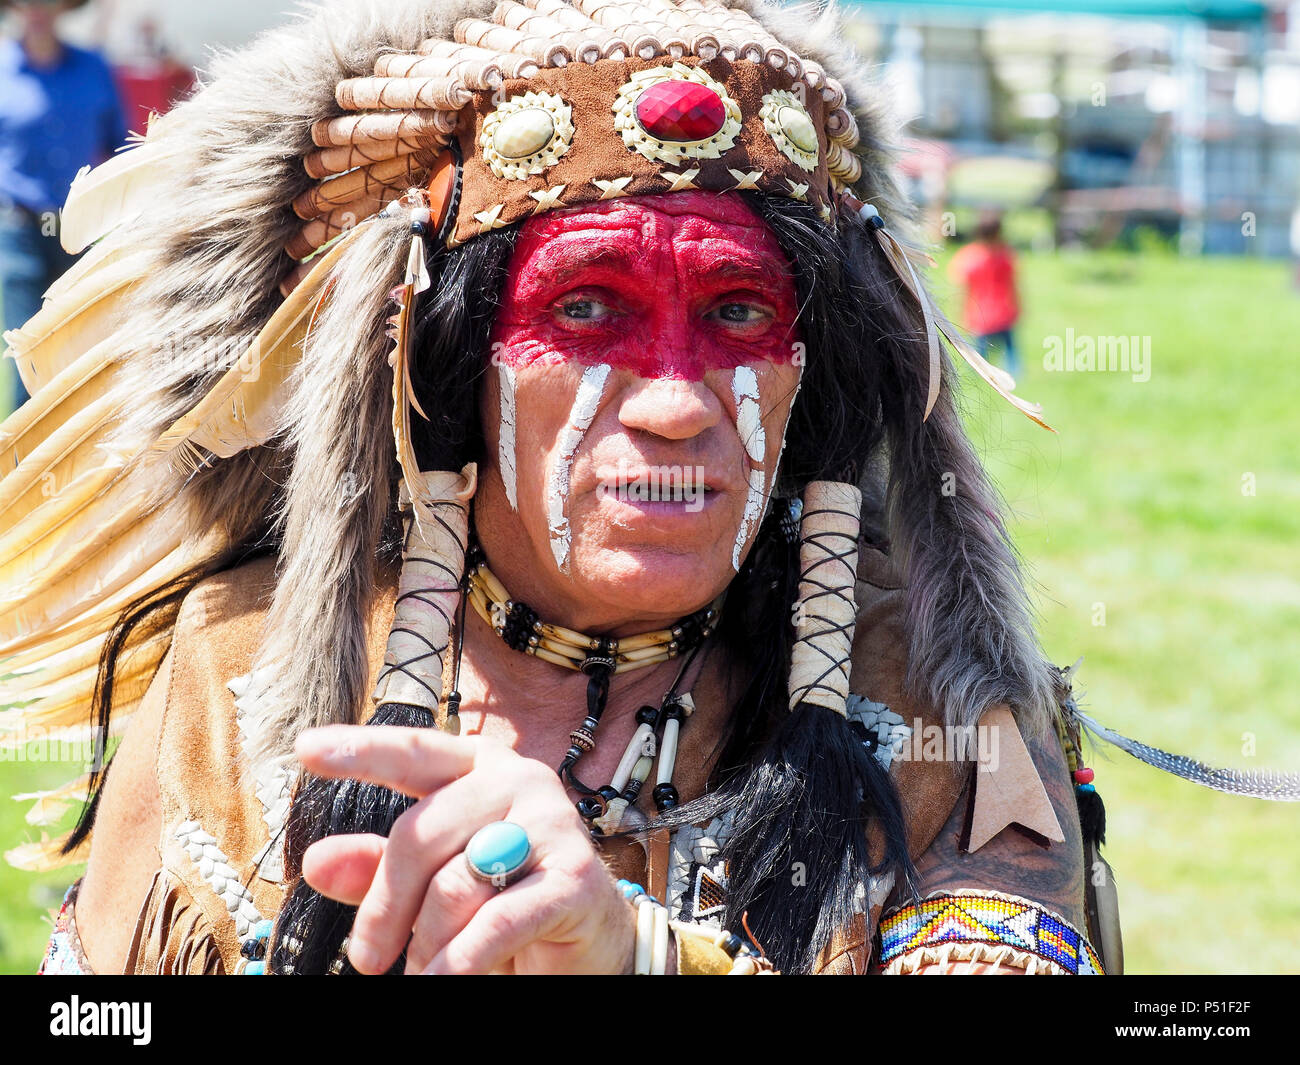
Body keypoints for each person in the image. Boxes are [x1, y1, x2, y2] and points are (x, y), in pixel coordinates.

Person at [5, 0, 1120, 976]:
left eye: (738, 312)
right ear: (444, 368)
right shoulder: (242, 669)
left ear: (807, 375)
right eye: (584, 308)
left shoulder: (943, 708)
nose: (676, 404)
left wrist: (637, 959)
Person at [0, 0, 126, 414]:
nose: (36, 7)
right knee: (28, 356)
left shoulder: (93, 68)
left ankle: (74, 471)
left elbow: (121, 146)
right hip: (17, 231)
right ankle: (21, 473)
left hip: (77, 229)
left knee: (78, 354)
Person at [948, 209, 1022, 378]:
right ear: (1000, 232)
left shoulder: (968, 257)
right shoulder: (1006, 255)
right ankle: (1015, 377)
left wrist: (961, 316)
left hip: (979, 318)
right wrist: (1018, 306)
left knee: (978, 362)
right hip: (1004, 315)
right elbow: (1014, 285)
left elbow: (961, 290)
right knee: (1012, 358)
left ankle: (978, 377)